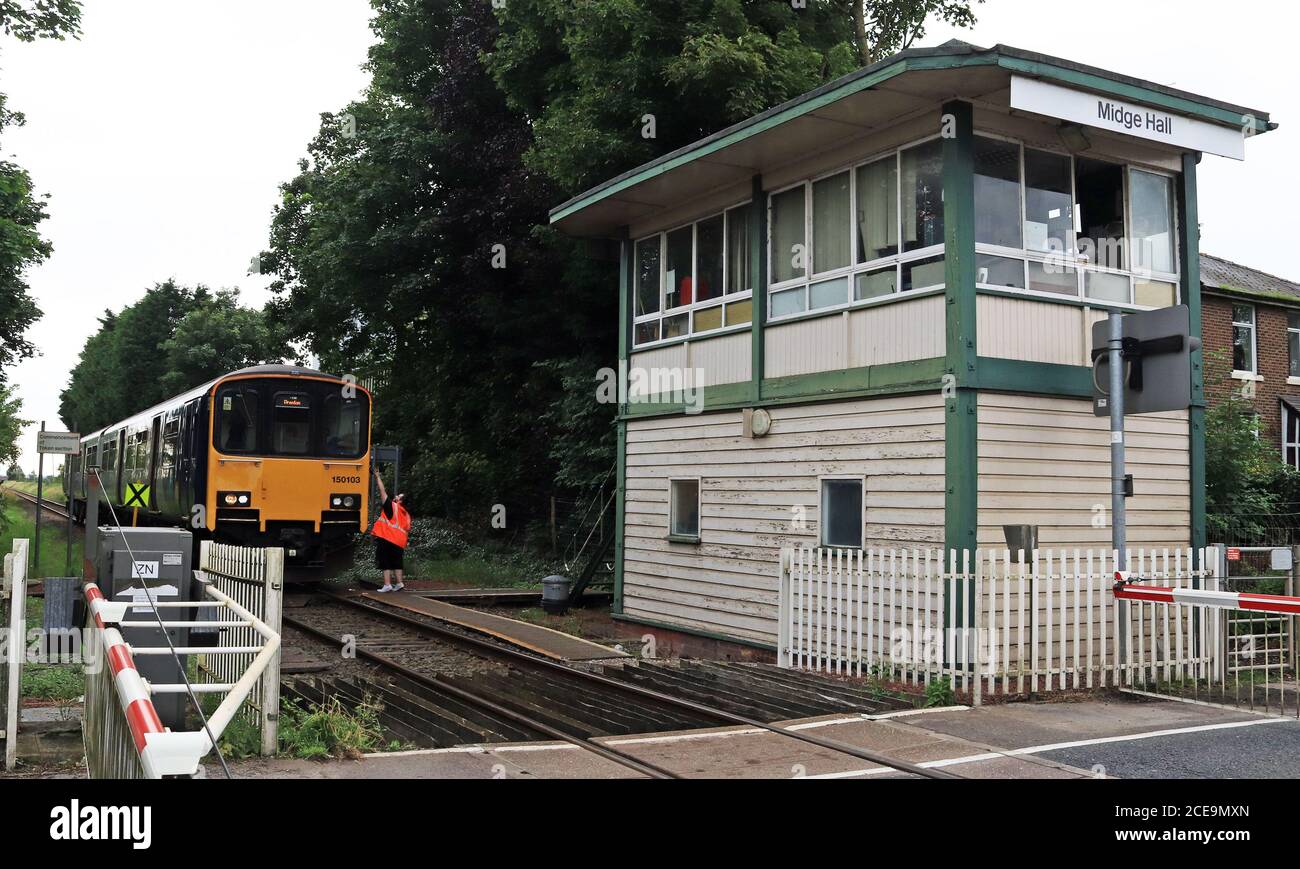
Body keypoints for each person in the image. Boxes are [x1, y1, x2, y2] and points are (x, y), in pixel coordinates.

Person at [371, 468, 412, 592]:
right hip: (399, 542)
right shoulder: (405, 514)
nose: (395, 496)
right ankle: (399, 583)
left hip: (387, 538)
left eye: (398, 496)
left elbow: (382, 491)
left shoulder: (391, 507)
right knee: (397, 561)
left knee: (385, 560)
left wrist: (377, 477)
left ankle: (387, 584)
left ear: (400, 501)